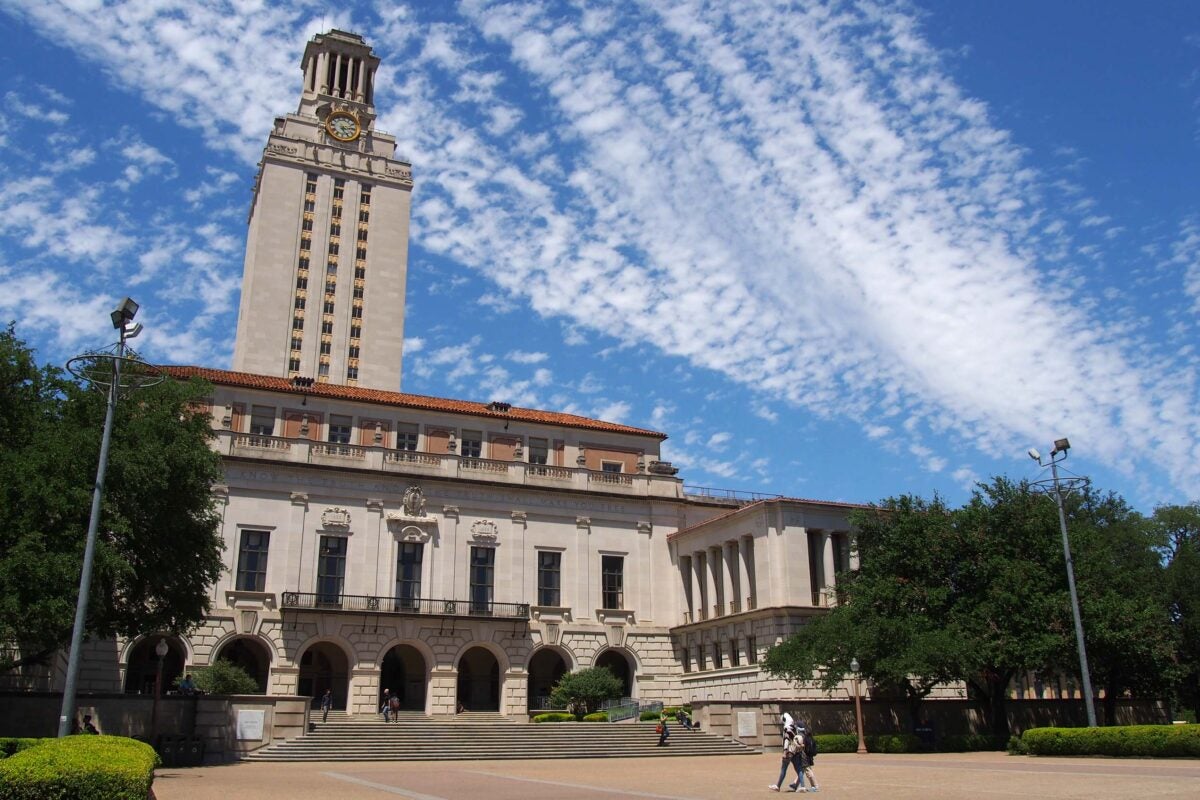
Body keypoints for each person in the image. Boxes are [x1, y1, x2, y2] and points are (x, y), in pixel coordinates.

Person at [770, 723, 805, 792]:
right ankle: (803, 786)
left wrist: (784, 753)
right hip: (795, 754)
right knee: (799, 770)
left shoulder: (787, 733)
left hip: (788, 753)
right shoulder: (795, 734)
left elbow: (786, 742)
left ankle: (778, 786)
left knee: (783, 770)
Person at [790, 721, 820, 793]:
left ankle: (815, 786)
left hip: (804, 757)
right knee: (801, 770)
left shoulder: (800, 736)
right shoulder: (804, 735)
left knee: (807, 770)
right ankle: (795, 784)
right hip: (806, 756)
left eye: (796, 727)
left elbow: (798, 747)